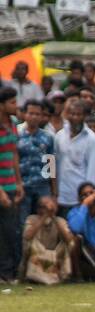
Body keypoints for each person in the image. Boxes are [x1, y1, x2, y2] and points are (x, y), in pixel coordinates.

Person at [54, 99, 95, 215]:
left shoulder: (92, 139)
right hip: (59, 195)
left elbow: (92, 171)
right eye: (72, 114)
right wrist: (50, 187)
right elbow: (50, 161)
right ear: (67, 114)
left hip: (79, 198)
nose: (74, 117)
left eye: (78, 114)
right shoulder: (59, 135)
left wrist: (88, 197)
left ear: (84, 116)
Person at [21, 194, 75, 284]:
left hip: (54, 255)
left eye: (49, 207)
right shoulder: (31, 219)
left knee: (70, 243)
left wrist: (53, 216)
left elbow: (68, 239)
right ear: (38, 209)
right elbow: (27, 236)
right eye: (43, 207)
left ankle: (63, 275)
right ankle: (34, 277)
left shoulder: (60, 221)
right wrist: (44, 216)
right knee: (30, 242)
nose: (46, 209)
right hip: (37, 253)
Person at [16, 100, 55, 222]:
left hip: (42, 186)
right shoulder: (17, 135)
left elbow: (51, 166)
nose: (34, 117)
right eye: (31, 113)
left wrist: (54, 193)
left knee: (45, 221)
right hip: (23, 186)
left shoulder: (48, 137)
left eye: (38, 114)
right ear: (24, 114)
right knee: (23, 223)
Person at [0, 87, 21, 284]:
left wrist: (19, 182)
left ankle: (8, 273)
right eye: (13, 102)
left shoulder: (13, 124)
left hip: (11, 184)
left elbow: (14, 154)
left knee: (10, 230)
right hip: (0, 188)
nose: (17, 105)